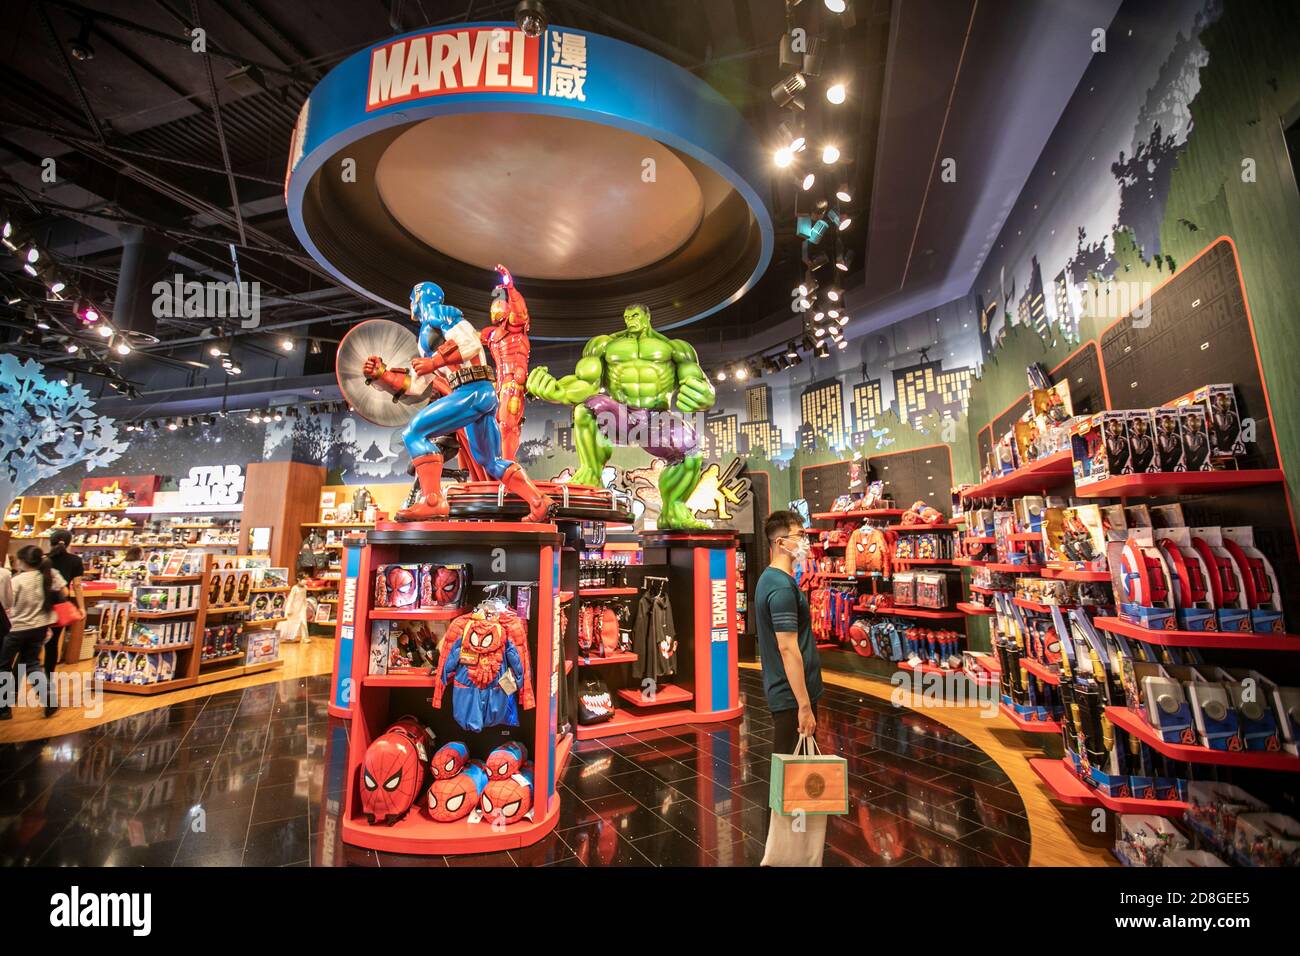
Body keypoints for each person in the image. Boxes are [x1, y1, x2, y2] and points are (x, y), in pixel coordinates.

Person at [755, 510, 824, 755]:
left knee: (798, 774)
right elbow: (787, 648)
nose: (805, 542)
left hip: (790, 692)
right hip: (792, 696)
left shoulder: (773, 579)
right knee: (795, 778)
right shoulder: (781, 588)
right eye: (800, 535)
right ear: (781, 542)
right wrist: (804, 705)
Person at [0, 546, 66, 720]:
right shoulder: (47, 576)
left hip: (17, 628)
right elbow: (63, 592)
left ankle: (4, 709)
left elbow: (7, 602)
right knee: (33, 664)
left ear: (23, 561)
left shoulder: (18, 580)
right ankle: (49, 700)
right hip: (39, 627)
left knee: (3, 667)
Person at [44, 529, 84, 716]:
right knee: (52, 647)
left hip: (40, 607)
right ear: (69, 543)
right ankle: (48, 683)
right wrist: (81, 607)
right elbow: (76, 586)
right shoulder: (75, 561)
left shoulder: (43, 559)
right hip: (59, 609)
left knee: (28, 649)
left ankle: (8, 695)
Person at [279, 571, 310, 645]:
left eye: (306, 579)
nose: (306, 581)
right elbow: (290, 599)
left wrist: (306, 605)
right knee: (291, 622)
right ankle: (288, 636)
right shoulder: (295, 588)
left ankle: (304, 637)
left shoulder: (305, 588)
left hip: (301, 607)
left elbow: (304, 597)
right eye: (304, 579)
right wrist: (289, 609)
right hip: (294, 607)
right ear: (299, 579)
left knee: (303, 621)